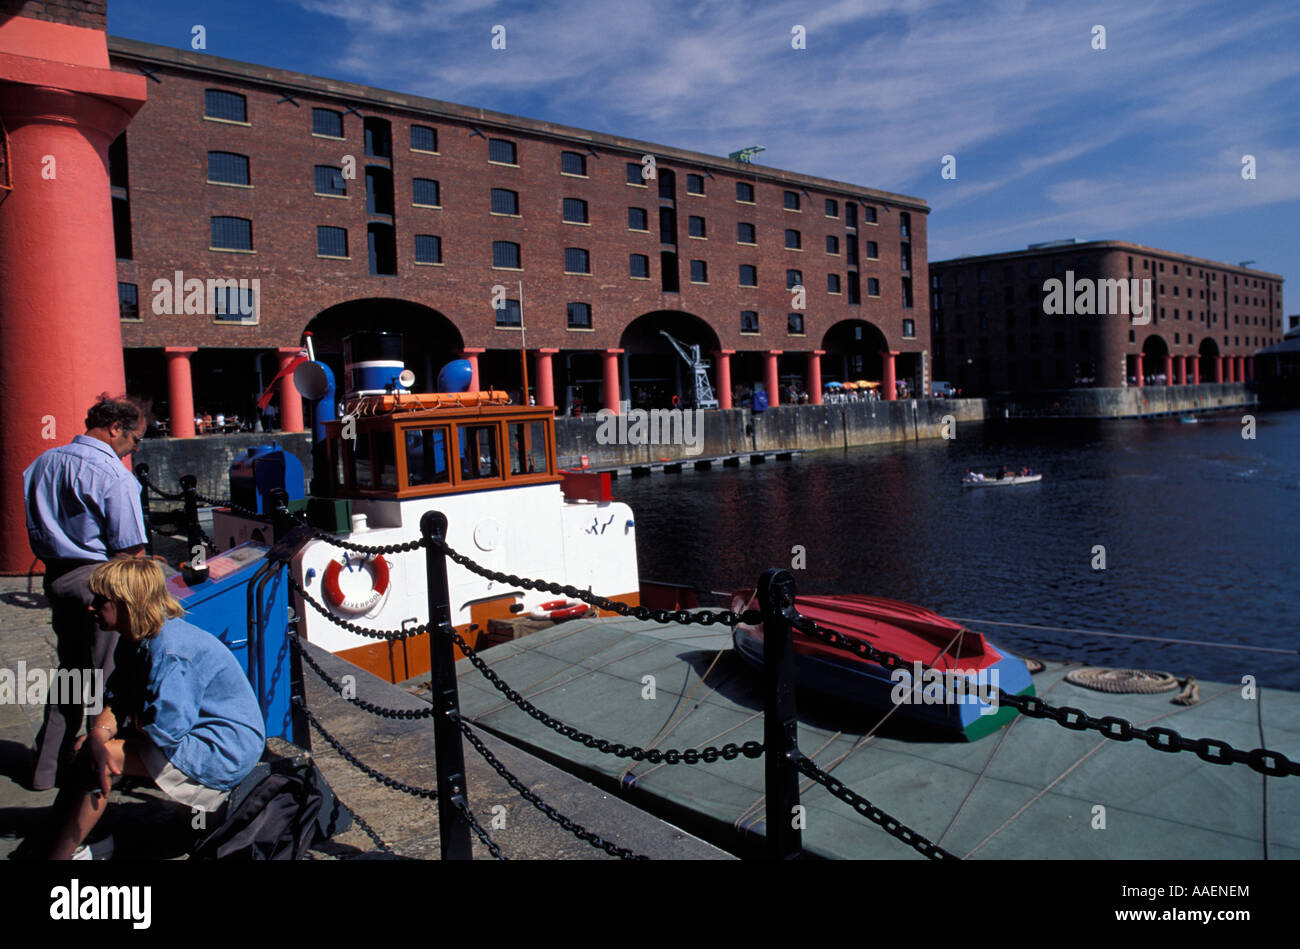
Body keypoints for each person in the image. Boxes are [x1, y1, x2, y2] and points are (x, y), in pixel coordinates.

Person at [42, 559, 266, 860]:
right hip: (190, 733)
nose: (91, 607)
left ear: (127, 604)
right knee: (90, 749)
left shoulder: (171, 652)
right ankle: (75, 836)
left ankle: (60, 852)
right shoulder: (135, 639)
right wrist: (97, 735)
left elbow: (166, 729)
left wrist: (107, 742)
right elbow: (117, 698)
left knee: (100, 758)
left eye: (101, 600)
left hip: (222, 750)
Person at [22, 396, 149, 791]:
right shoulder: (114, 475)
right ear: (115, 428)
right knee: (109, 679)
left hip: (57, 577)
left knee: (71, 674)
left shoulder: (41, 463)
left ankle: (46, 769)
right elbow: (130, 550)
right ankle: (98, 769)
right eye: (136, 439)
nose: (135, 448)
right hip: (101, 580)